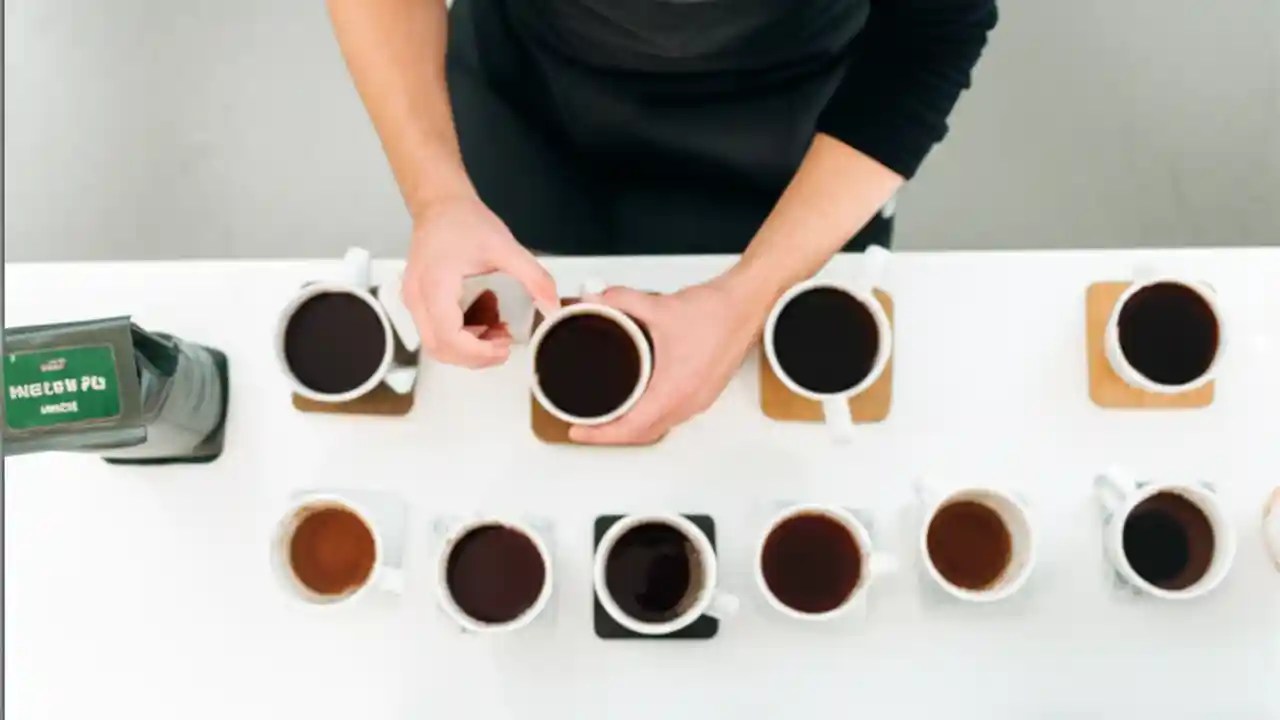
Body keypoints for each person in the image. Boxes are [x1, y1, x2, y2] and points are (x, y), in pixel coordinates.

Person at [328, 0, 997, 444]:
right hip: (534, 91)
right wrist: (439, 196)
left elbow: (932, 32)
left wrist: (749, 295)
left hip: (801, 115)